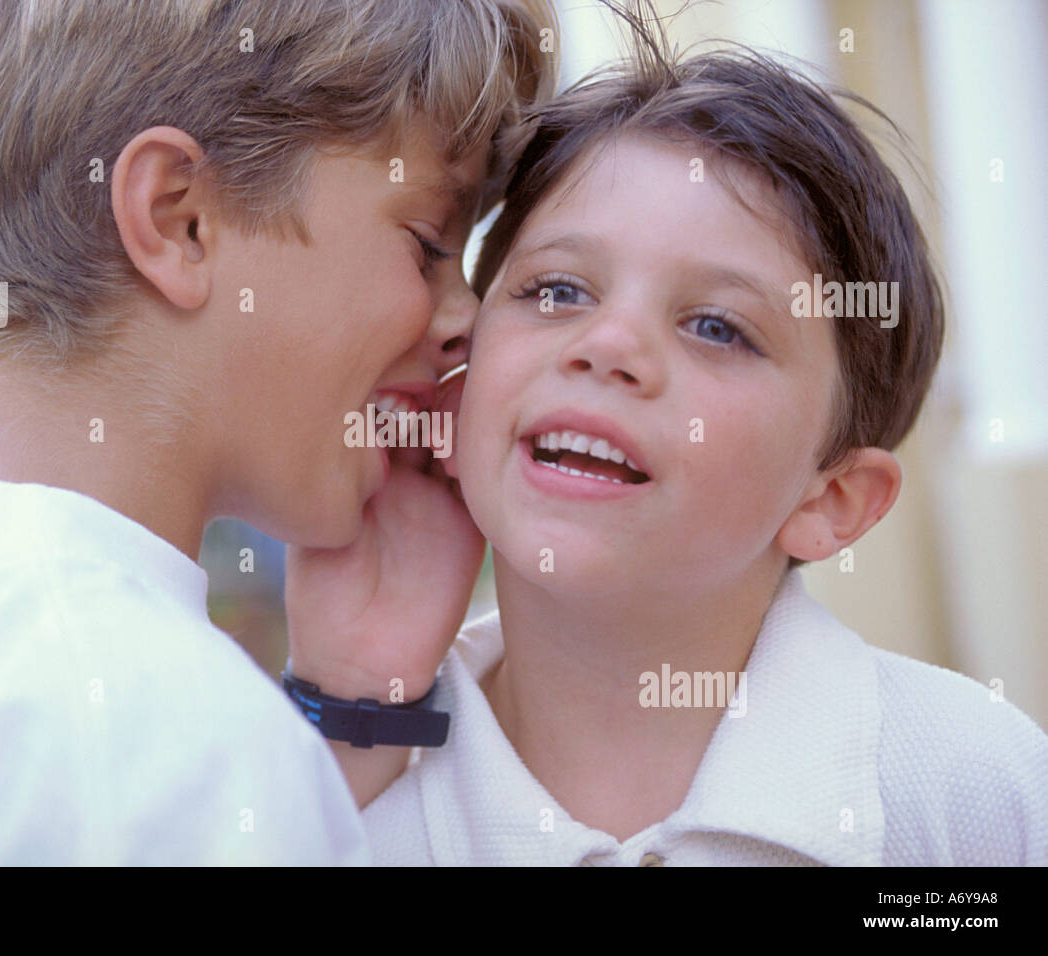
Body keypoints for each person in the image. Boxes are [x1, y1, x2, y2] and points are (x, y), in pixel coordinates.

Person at [0, 0, 554, 864]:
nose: (463, 318)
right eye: (430, 244)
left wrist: (352, 704)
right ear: (178, 219)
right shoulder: (184, 743)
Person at [292, 16, 1048, 865]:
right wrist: (353, 701)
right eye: (557, 289)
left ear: (830, 500)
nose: (610, 346)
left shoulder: (976, 794)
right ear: (461, 366)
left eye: (718, 328)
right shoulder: (342, 795)